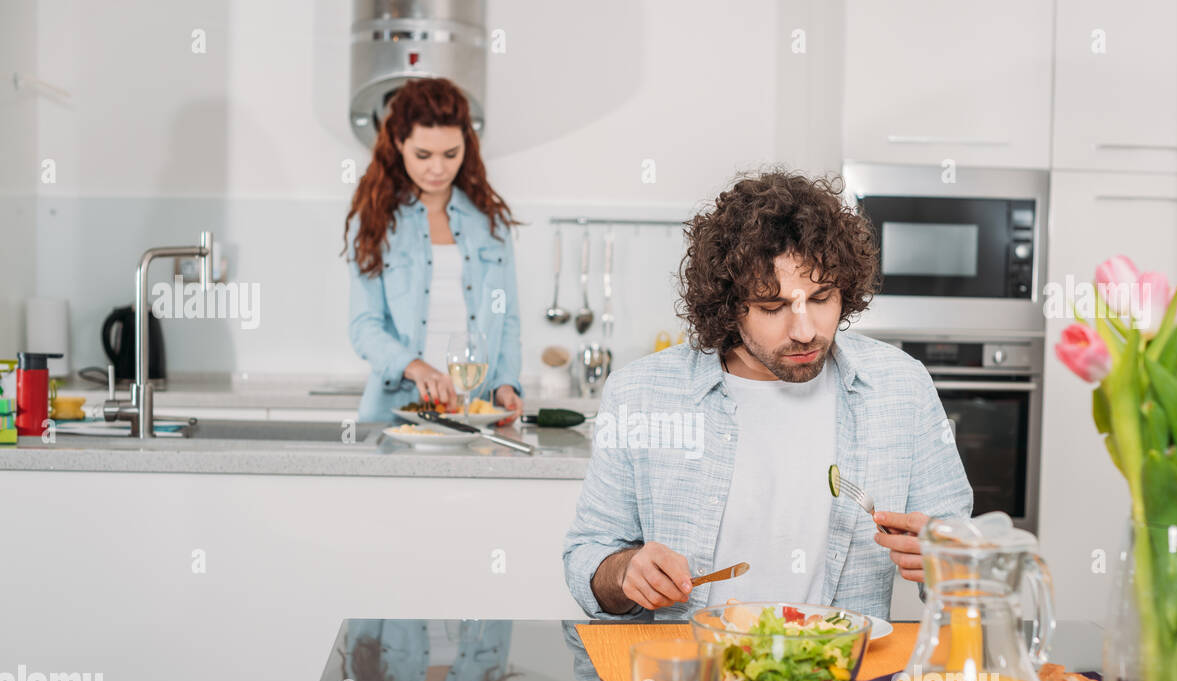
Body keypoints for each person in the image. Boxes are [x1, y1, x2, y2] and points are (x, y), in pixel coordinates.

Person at [562, 169, 974, 620]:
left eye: (820, 298)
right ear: (726, 304)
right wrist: (624, 572)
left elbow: (963, 566)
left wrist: (952, 565)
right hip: (693, 675)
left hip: (838, 677)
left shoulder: (901, 388)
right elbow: (588, 557)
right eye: (772, 307)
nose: (804, 331)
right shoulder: (641, 393)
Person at [344, 77, 523, 423]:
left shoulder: (491, 223)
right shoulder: (375, 222)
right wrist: (418, 369)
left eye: (451, 154)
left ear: (466, 146)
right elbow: (364, 326)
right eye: (423, 155)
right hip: (394, 414)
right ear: (398, 143)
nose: (438, 168)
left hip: (474, 414)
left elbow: (509, 319)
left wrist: (505, 385)